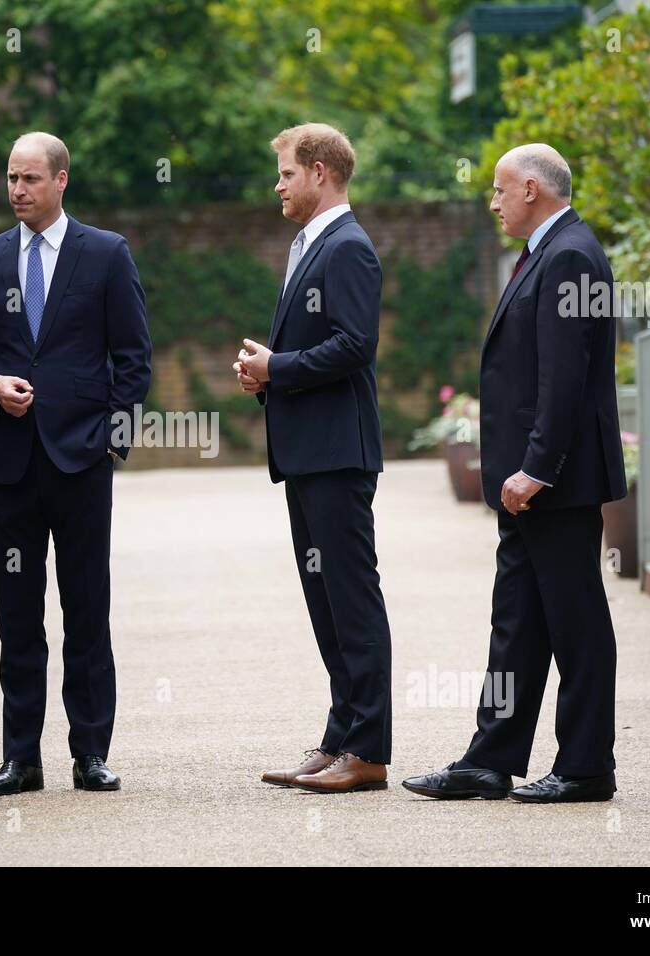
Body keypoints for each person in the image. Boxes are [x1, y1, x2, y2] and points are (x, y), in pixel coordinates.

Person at [402, 144, 626, 804]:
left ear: (532, 188)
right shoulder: (548, 253)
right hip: (532, 486)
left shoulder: (570, 256)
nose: (494, 204)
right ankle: (490, 759)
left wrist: (536, 469)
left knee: (575, 621)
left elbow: (565, 380)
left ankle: (586, 767)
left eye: (499, 192)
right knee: (518, 623)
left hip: (556, 483)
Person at [0, 132, 151, 797]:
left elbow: (134, 358)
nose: (17, 191)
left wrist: (114, 441)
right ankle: (19, 759)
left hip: (82, 463)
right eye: (10, 178)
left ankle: (91, 754)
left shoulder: (107, 254)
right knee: (17, 618)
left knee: (87, 610)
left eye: (30, 179)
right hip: (9, 465)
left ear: (62, 181)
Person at [236, 123, 392, 794]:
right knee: (325, 601)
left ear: (321, 172)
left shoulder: (348, 247)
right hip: (308, 455)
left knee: (351, 600)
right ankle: (340, 737)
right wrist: (269, 374)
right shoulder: (310, 244)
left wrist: (280, 367)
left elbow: (356, 344)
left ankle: (369, 752)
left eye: (287, 173)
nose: (278, 185)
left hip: (336, 455)